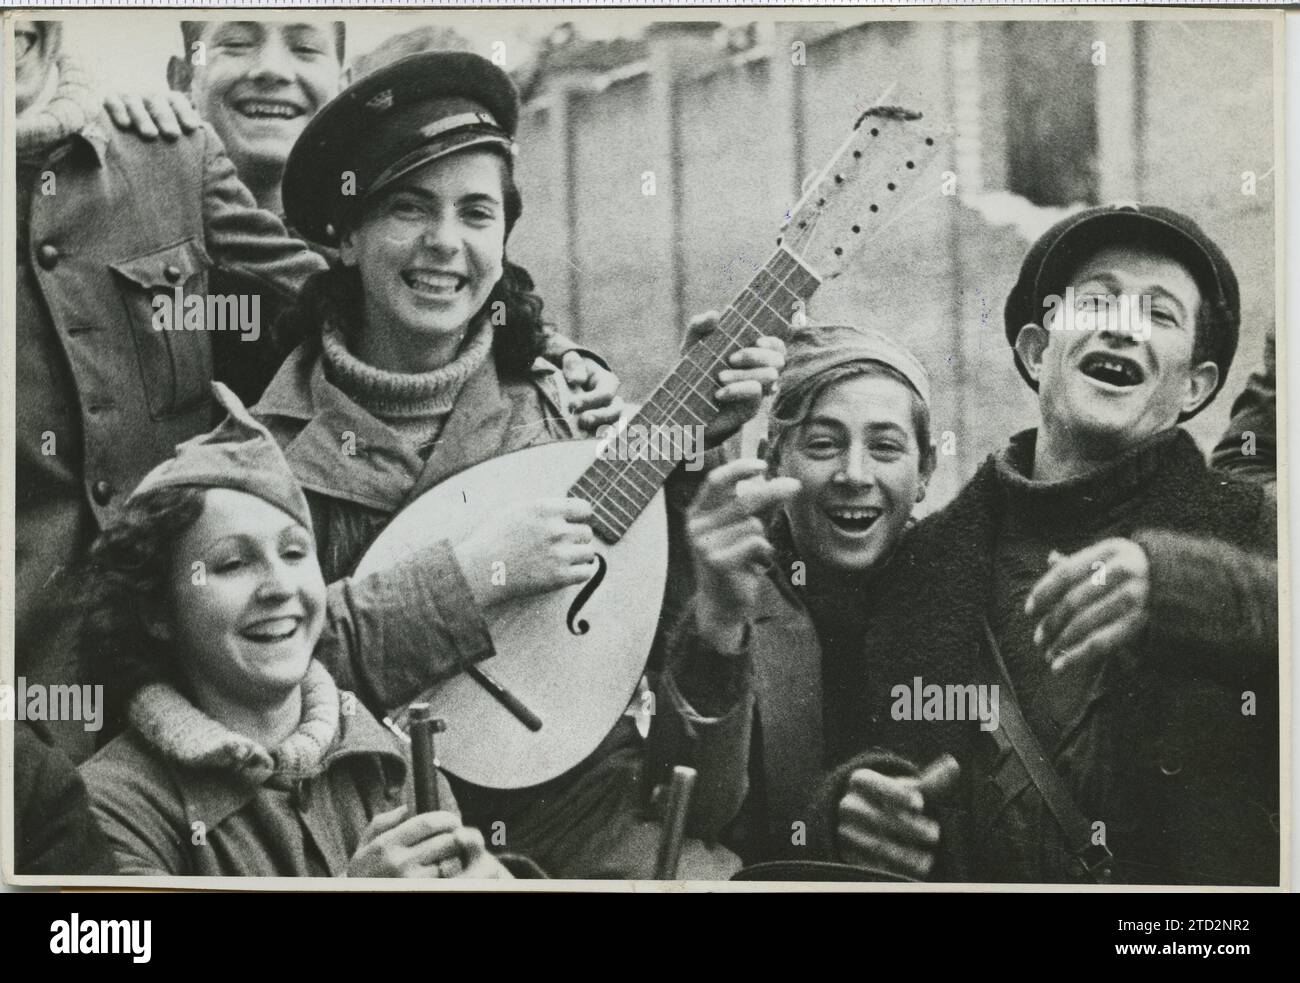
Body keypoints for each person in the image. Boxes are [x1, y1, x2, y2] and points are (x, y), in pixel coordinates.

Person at [254, 50, 785, 878]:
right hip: (386, 850)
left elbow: (679, 754)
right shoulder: (264, 462)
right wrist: (469, 577)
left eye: (476, 213)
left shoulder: (571, 408)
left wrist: (688, 452)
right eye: (407, 207)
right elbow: (256, 683)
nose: (445, 243)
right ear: (349, 235)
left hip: (599, 842)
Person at [821, 204, 1278, 885]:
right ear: (1038, 351)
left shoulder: (1250, 531)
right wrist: (854, 804)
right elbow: (846, 751)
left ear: (1195, 386)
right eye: (1096, 301)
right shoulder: (920, 564)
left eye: (1160, 314)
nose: (1122, 327)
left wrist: (1185, 585)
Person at [14, 20, 328, 763]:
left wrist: (543, 349)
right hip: (27, 713)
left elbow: (354, 299)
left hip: (202, 681)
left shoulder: (169, 155)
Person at [79, 384, 523, 879]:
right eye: (231, 563)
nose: (279, 587)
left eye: (294, 553)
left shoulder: (394, 763)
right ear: (157, 611)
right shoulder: (108, 809)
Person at [104, 18, 624, 424]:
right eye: (235, 44)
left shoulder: (384, 239)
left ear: (343, 81)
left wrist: (565, 359)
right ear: (179, 77)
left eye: (306, 49)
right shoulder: (121, 213)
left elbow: (486, 313)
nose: (271, 70)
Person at [653, 325, 939, 871]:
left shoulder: (957, 588)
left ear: (924, 470)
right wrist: (718, 625)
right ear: (773, 459)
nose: (854, 475)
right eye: (823, 444)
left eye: (884, 447)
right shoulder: (725, 580)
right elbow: (687, 812)